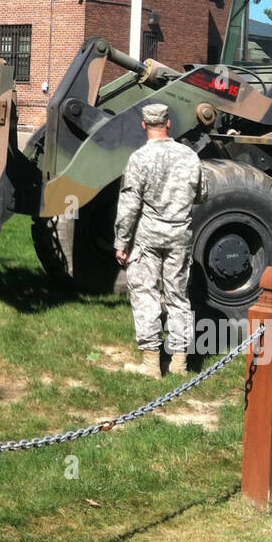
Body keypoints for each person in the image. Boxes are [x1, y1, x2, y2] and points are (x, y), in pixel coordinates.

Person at [113, 102, 208, 378]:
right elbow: (202, 194)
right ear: (169, 124)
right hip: (179, 236)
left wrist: (122, 241)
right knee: (178, 297)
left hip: (147, 239)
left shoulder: (139, 159)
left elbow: (129, 206)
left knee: (146, 294)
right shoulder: (189, 156)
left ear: (144, 126)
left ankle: (151, 363)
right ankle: (180, 363)